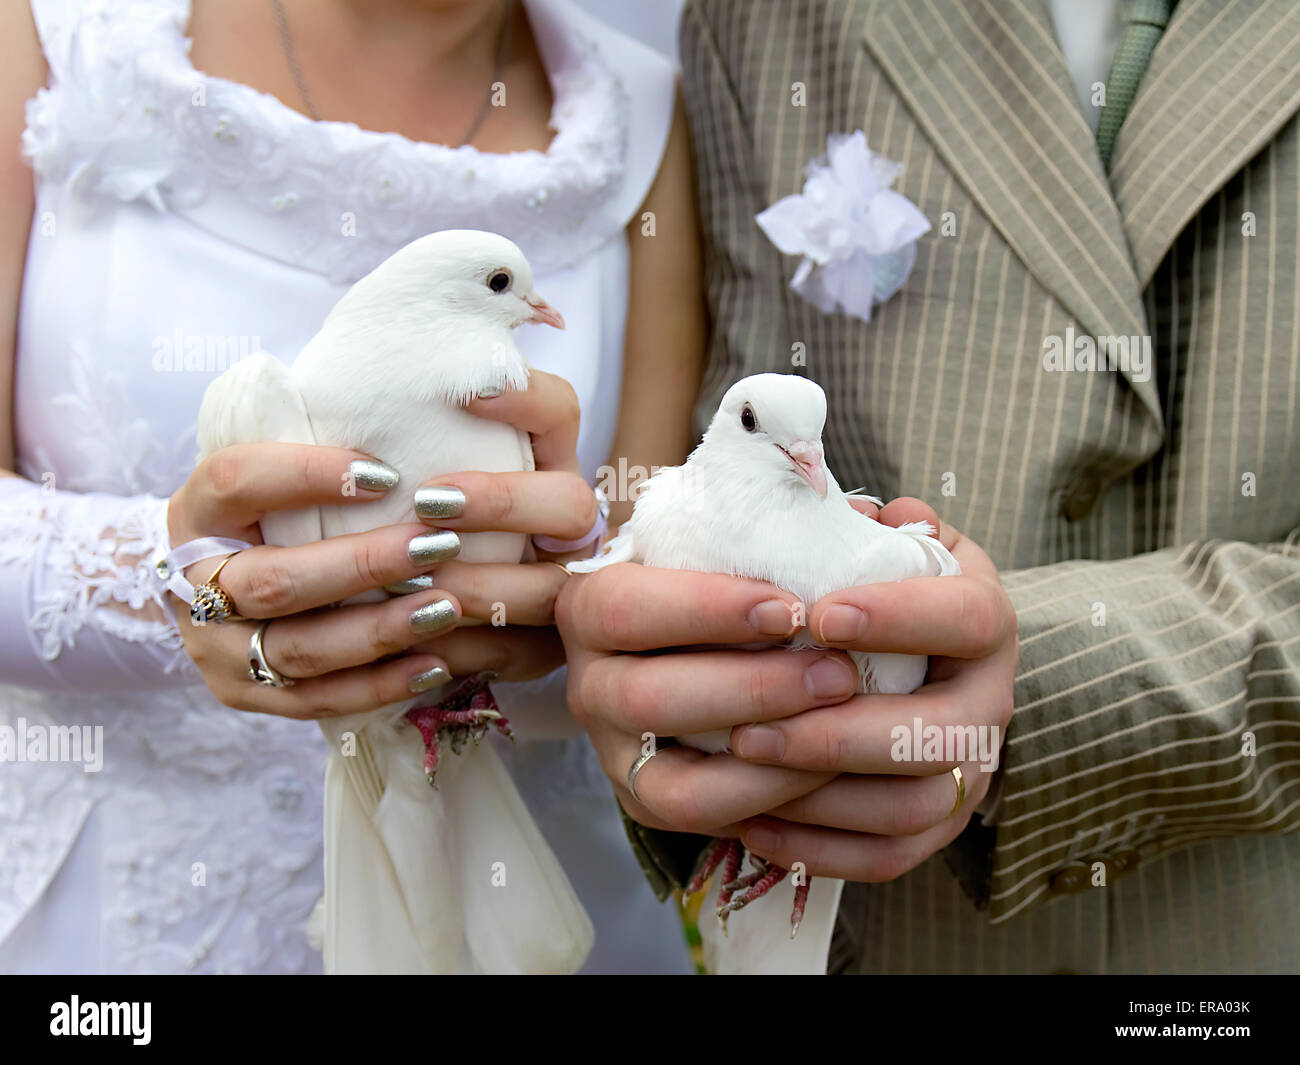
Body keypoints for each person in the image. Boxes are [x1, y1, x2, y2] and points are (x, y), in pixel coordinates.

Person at [558, 0, 1300, 973]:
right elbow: (732, 449)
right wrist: (664, 688)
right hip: (892, 940)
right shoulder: (758, 19)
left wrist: (1014, 687)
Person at [0, 0, 703, 974]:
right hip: (123, 926)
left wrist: (573, 603)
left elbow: (638, 608)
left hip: (512, 898)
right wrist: (177, 579)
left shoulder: (645, 114)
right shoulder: (47, 29)